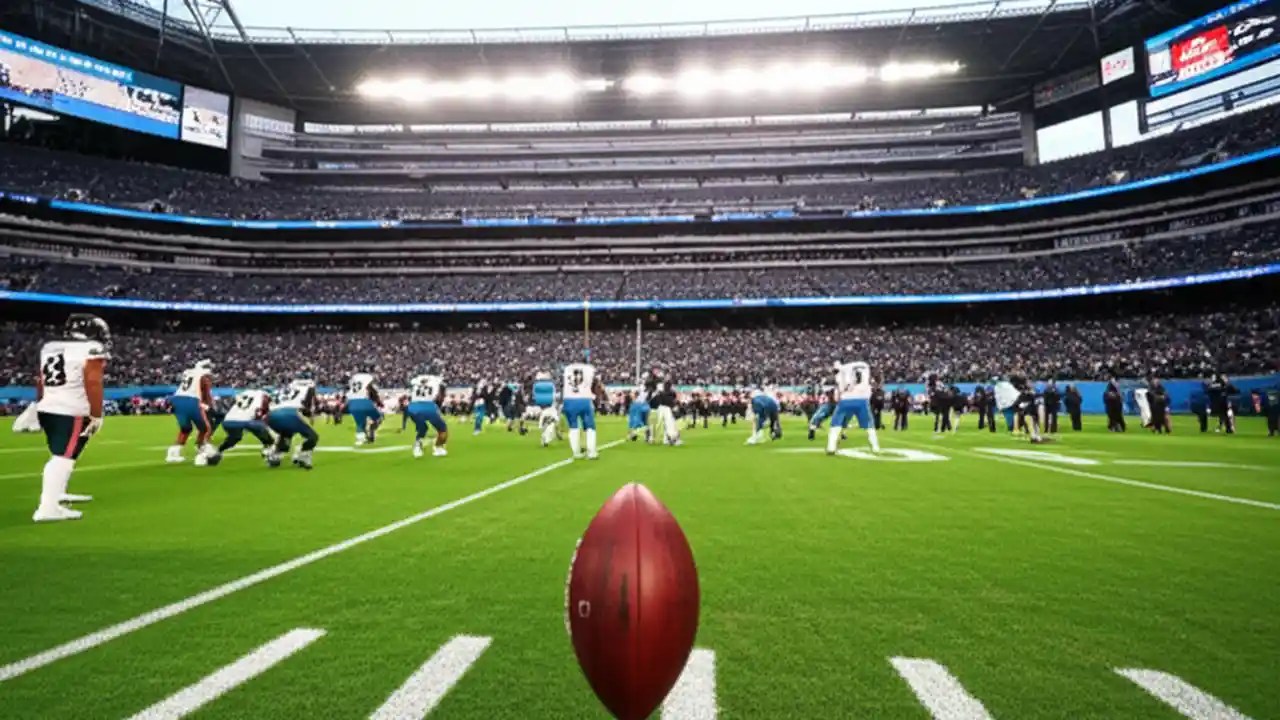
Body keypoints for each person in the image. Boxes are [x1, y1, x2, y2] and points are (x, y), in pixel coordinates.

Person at [31, 314, 109, 522]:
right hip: (71, 409)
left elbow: (41, 379)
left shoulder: (50, 347)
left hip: (49, 406)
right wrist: (96, 413)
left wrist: (37, 403)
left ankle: (58, 493)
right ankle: (48, 507)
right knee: (62, 458)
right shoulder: (90, 348)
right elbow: (93, 381)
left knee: (66, 454)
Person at [205, 388, 274, 465]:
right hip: (246, 421)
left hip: (228, 421)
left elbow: (234, 403)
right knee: (262, 429)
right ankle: (269, 448)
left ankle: (218, 452)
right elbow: (260, 413)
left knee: (235, 437)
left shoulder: (245, 393)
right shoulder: (262, 396)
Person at [167, 359, 216, 464]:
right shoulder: (203, 376)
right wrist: (210, 406)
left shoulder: (188, 372)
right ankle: (201, 452)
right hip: (190, 401)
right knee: (205, 428)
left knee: (186, 428)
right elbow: (206, 392)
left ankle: (173, 453)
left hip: (177, 399)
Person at [267, 374, 319, 470]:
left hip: (271, 416)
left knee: (287, 433)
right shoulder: (309, 387)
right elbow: (306, 408)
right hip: (289, 413)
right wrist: (310, 414)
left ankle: (275, 455)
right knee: (313, 437)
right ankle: (302, 456)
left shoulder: (288, 387)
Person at [828, 360, 880, 454]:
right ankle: (875, 447)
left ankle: (831, 447)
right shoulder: (864, 365)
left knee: (835, 423)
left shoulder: (841, 371)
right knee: (869, 425)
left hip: (846, 399)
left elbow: (841, 388)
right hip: (862, 399)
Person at [562, 361, 605, 460]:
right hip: (584, 399)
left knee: (573, 427)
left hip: (568, 399)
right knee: (590, 427)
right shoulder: (589, 368)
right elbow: (596, 383)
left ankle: (576, 453)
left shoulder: (567, 368)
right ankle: (592, 452)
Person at [406, 370, 448, 458]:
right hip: (428, 406)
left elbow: (409, 389)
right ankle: (438, 448)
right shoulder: (437, 381)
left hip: (413, 407)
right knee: (443, 430)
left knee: (423, 428)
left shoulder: (415, 380)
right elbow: (441, 396)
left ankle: (417, 446)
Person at [346, 368, 382, 445]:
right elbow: (371, 389)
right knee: (378, 418)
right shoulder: (367, 377)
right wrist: (378, 401)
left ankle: (362, 438)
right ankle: (371, 432)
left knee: (360, 423)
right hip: (363, 401)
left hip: (352, 402)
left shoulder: (353, 378)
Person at [531, 371, 560, 447]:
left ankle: (545, 440)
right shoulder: (551, 387)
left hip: (543, 409)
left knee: (545, 425)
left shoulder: (536, 386)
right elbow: (555, 397)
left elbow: (534, 396)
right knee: (551, 424)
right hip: (550, 408)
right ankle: (546, 439)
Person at [628, 376, 653, 443]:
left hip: (637, 405)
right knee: (646, 422)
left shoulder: (640, 387)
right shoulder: (650, 389)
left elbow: (634, 395)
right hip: (646, 405)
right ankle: (648, 436)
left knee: (635, 421)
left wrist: (634, 400)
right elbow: (649, 398)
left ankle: (633, 434)